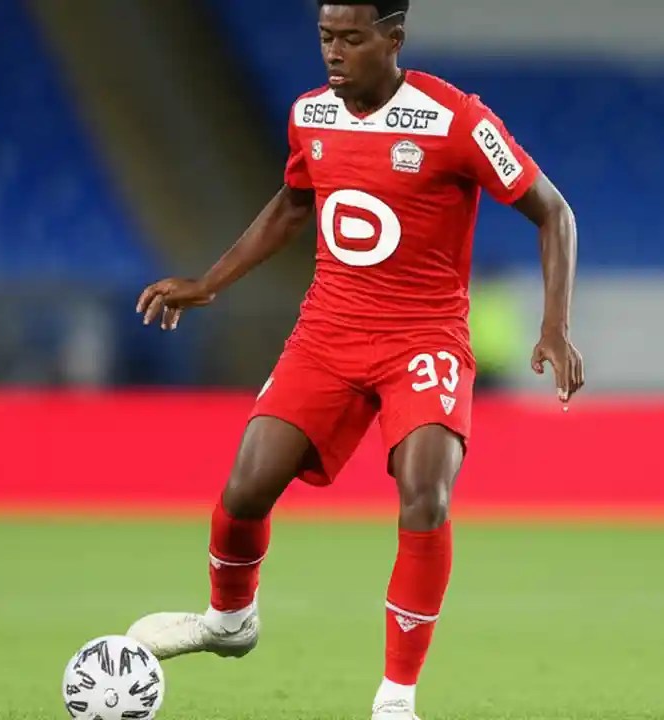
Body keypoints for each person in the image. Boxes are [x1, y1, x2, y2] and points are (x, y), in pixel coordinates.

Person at [126, 1, 583, 717]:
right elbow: (292, 204)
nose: (334, 52)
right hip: (328, 335)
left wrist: (554, 325)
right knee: (246, 488)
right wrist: (209, 282)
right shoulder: (311, 115)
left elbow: (553, 210)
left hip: (423, 340)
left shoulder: (455, 120)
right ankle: (229, 620)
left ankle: (396, 697)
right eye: (325, 37)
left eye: (350, 38)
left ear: (393, 39)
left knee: (426, 495)